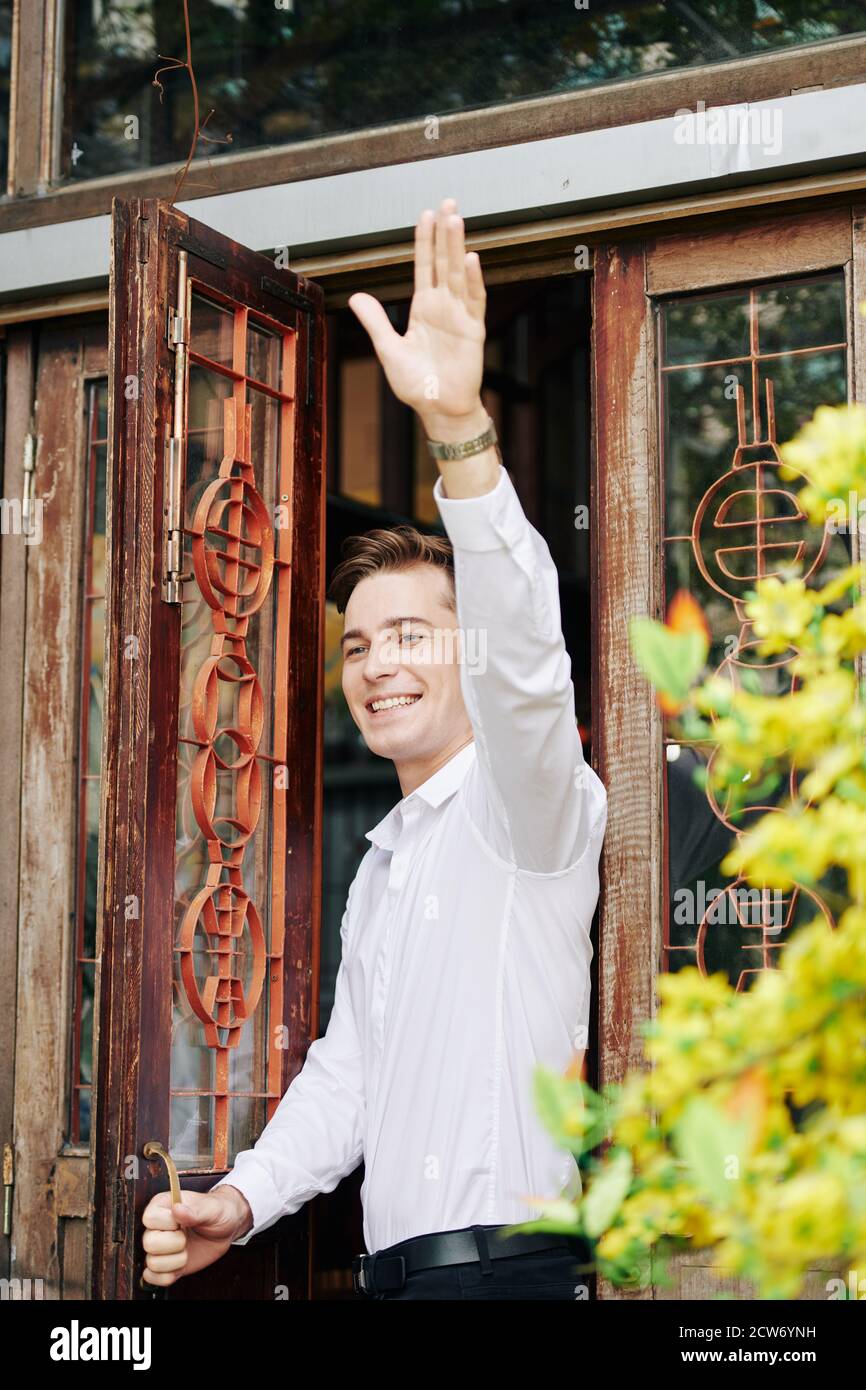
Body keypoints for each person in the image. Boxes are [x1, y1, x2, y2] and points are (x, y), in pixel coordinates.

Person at [141, 197, 608, 1300]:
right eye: (357, 644)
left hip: (514, 1275)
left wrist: (457, 432)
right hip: (390, 1279)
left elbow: (529, 664)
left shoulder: (532, 804)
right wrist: (241, 1199)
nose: (377, 664)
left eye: (410, 635)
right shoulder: (385, 862)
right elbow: (350, 1075)